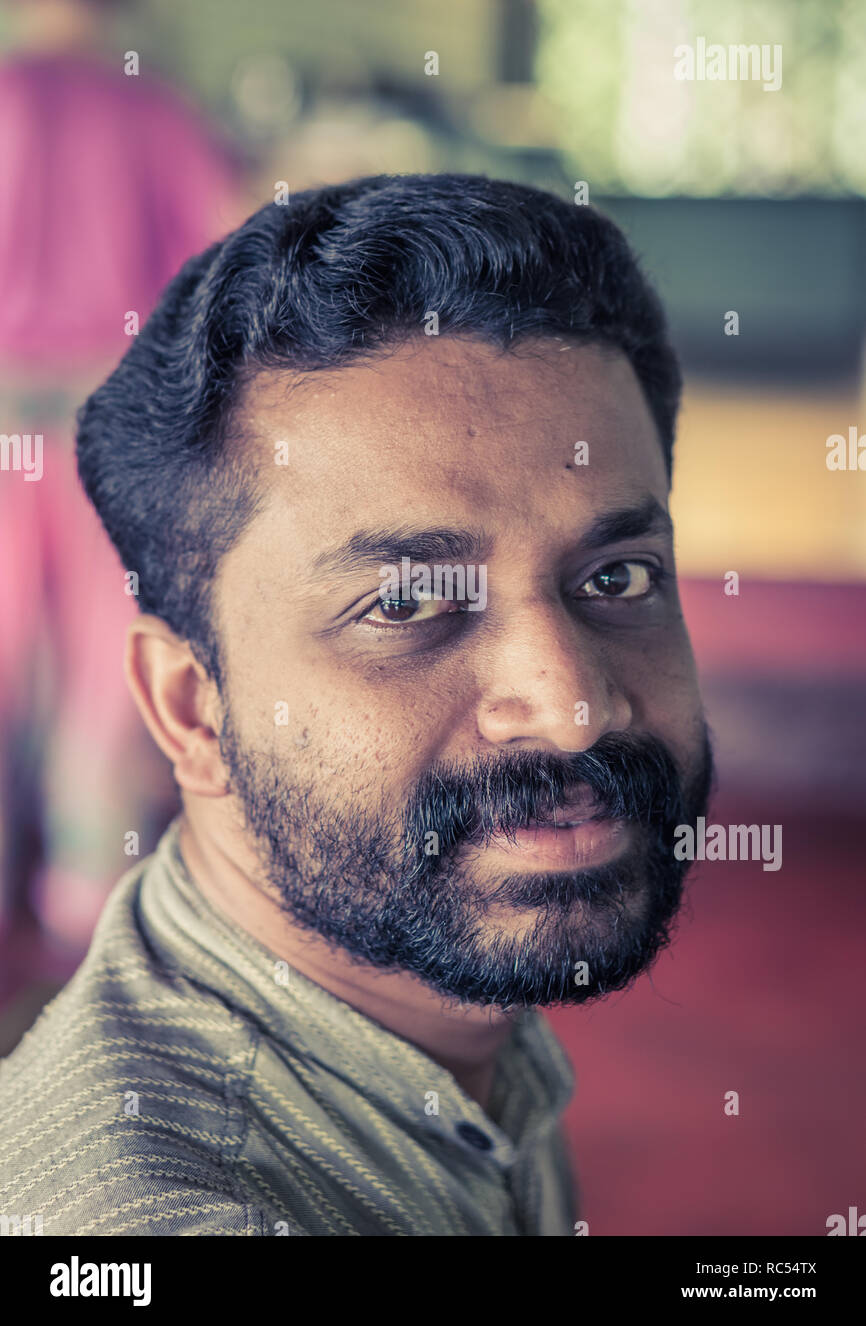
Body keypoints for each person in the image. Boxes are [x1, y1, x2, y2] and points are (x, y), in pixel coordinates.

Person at [0, 174, 714, 1236]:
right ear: (192, 709)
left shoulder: (439, 1022)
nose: (570, 708)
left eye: (615, 577)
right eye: (409, 602)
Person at [0, 0, 247, 957]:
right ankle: (80, 903)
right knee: (109, 672)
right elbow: (218, 273)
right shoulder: (158, 113)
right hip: (113, 416)